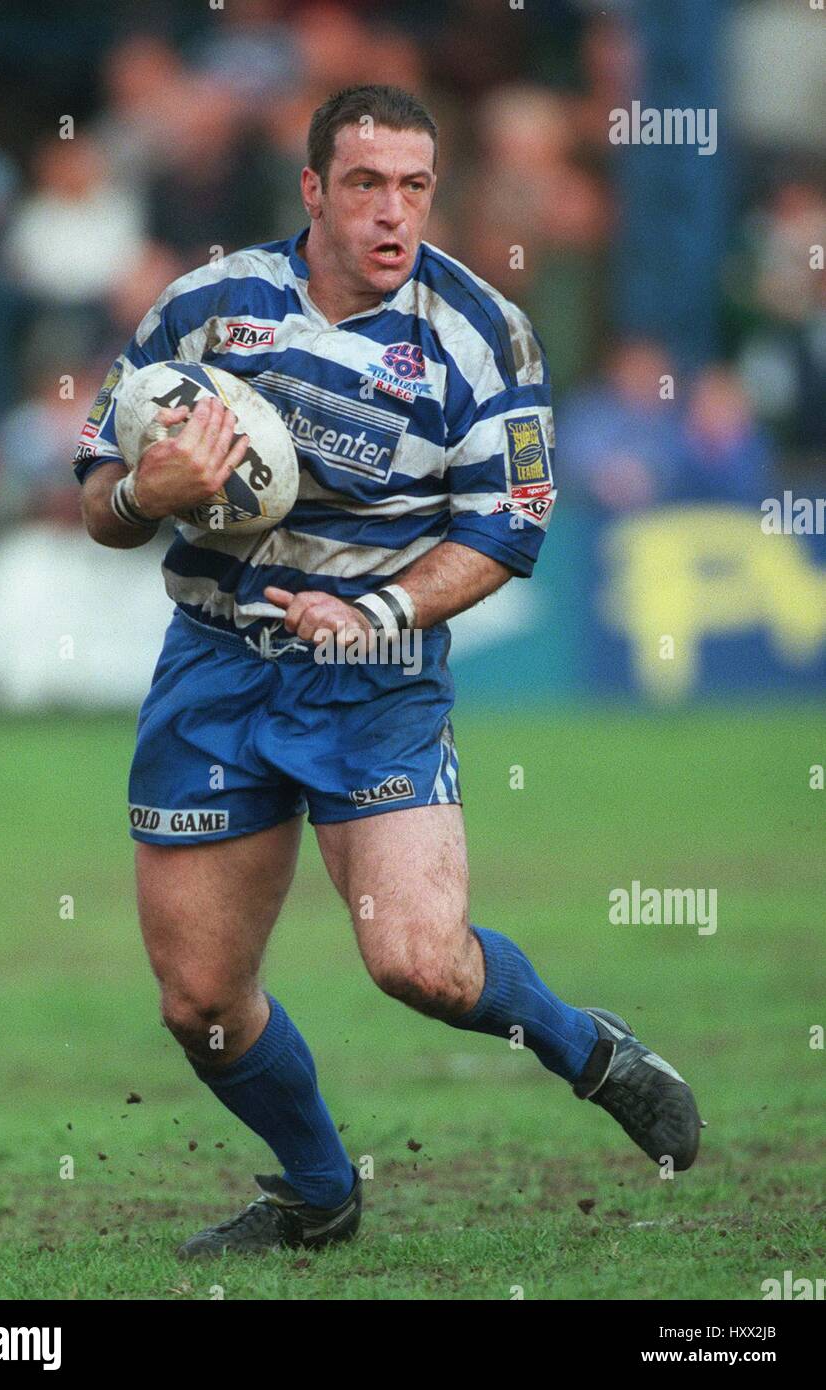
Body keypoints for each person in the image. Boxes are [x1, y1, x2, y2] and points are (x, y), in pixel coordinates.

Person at [74, 84, 700, 1258]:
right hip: (215, 670)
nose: (392, 213)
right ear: (312, 189)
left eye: (414, 186)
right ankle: (318, 1195)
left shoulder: (482, 334)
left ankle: (589, 1048)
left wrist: (378, 606)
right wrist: (141, 496)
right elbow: (97, 497)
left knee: (417, 963)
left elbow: (505, 534)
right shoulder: (205, 308)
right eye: (365, 184)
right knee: (200, 1005)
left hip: (379, 679)